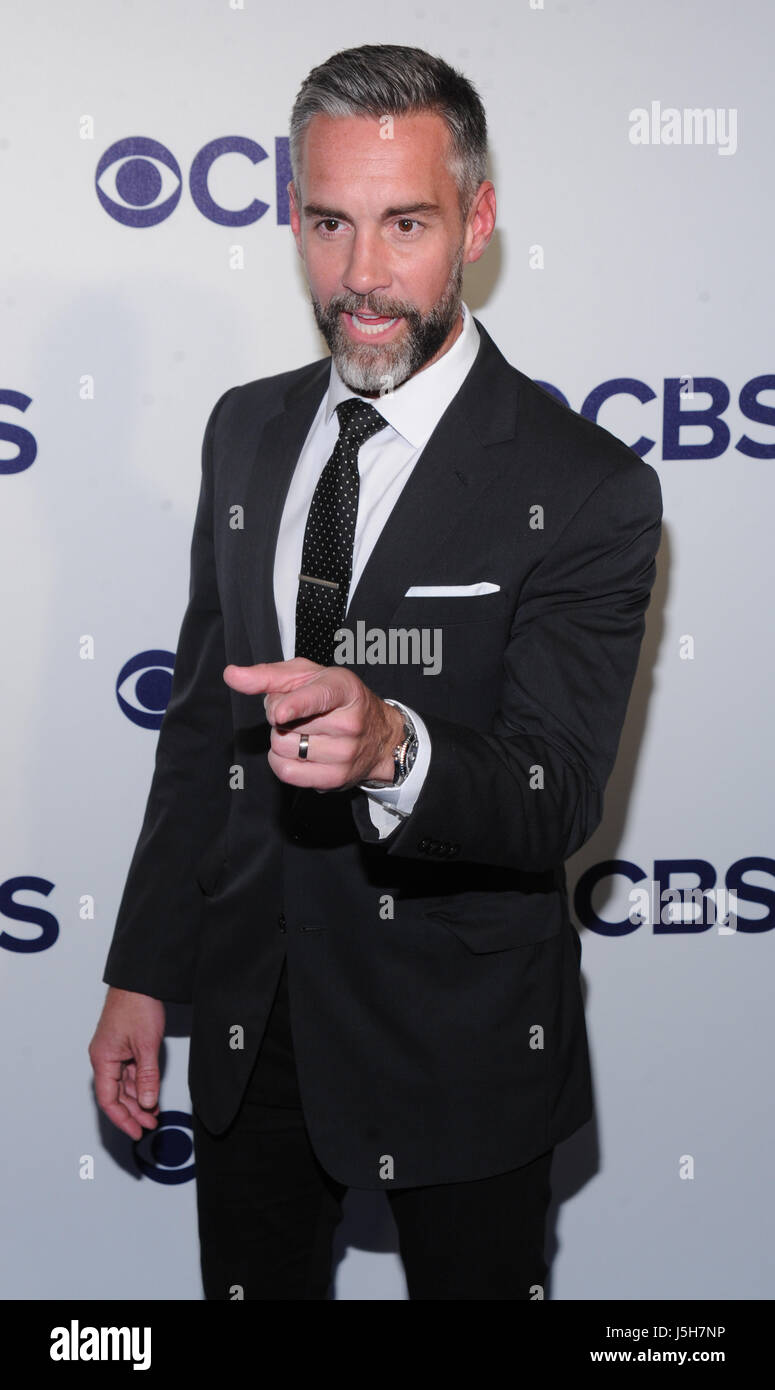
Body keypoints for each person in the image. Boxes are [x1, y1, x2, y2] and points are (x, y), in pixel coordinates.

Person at [89, 43, 662, 1301]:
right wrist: (142, 969)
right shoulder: (244, 428)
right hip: (253, 1019)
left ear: (477, 223)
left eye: (405, 225)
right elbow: (199, 728)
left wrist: (393, 743)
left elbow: (557, 793)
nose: (361, 276)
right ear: (292, 216)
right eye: (329, 223)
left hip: (458, 1036)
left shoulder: (585, 488)